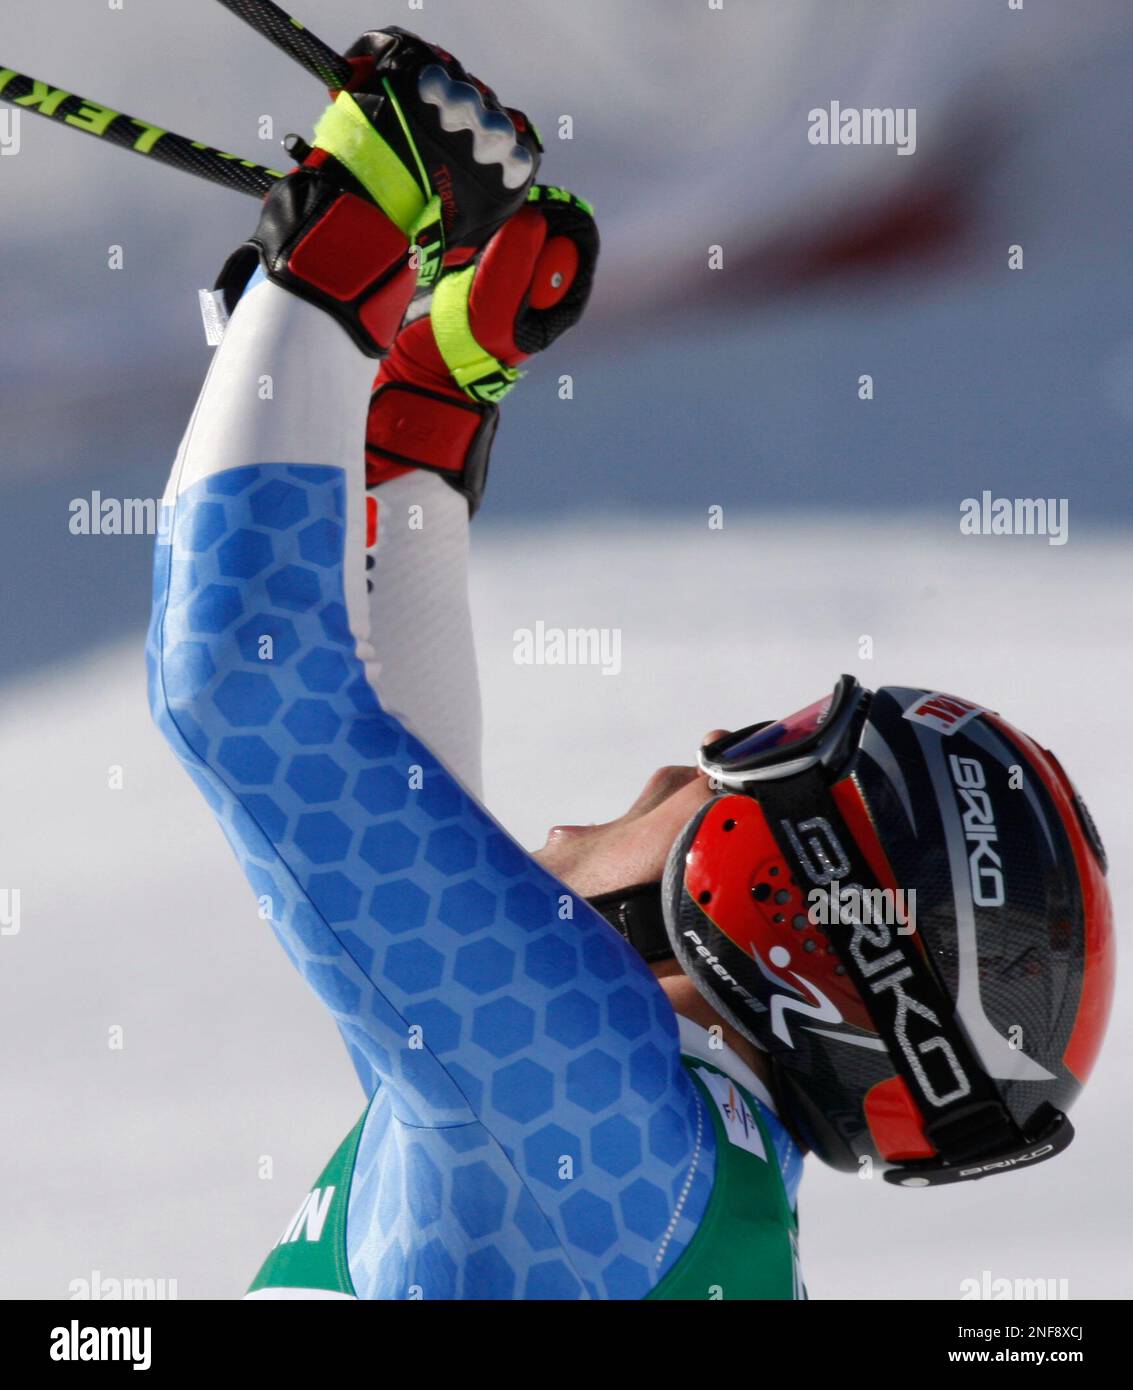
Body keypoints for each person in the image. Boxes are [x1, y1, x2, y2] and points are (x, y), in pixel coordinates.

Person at [148, 28, 1114, 1299]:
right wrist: (407, 423)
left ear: (771, 890)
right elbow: (390, 814)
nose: (664, 769)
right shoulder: (656, 1184)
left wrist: (336, 259)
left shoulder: (591, 1117)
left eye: (727, 772)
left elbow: (256, 695)